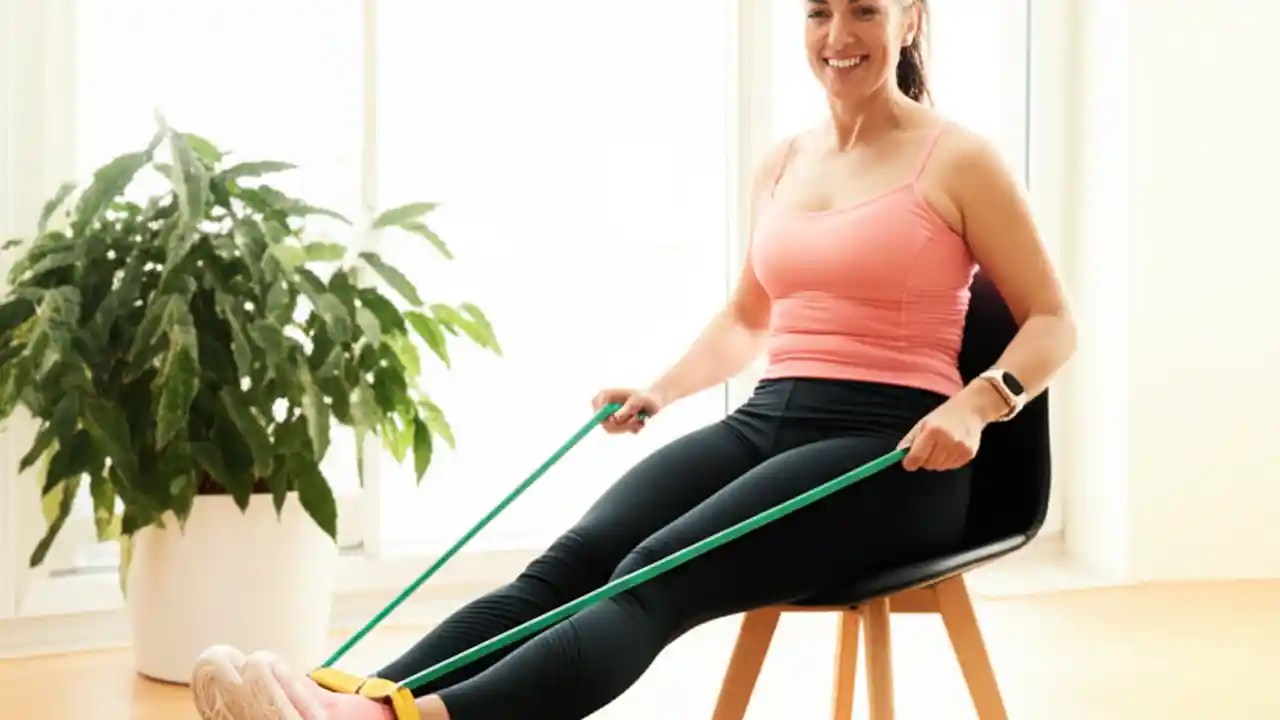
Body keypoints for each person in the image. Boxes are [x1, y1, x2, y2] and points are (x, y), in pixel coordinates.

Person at [191, 1, 1076, 718]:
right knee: (572, 563)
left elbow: (1051, 321)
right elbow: (747, 317)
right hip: (769, 422)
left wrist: (980, 402)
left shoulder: (957, 158)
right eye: (817, 14)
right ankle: (345, 696)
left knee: (651, 576)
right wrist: (663, 389)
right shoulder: (784, 162)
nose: (838, 36)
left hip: (893, 451)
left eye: (864, 12)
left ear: (911, 19)